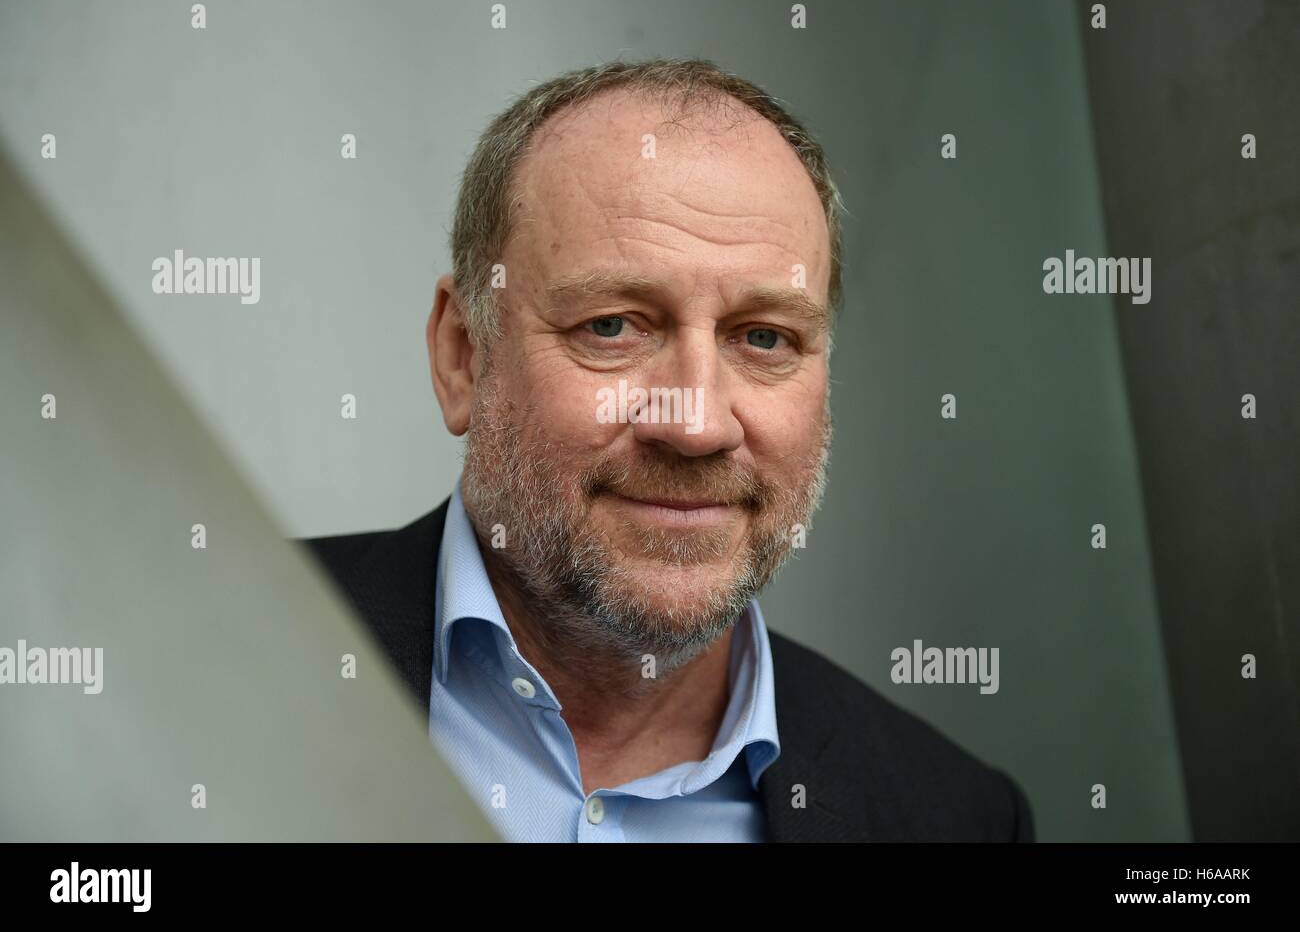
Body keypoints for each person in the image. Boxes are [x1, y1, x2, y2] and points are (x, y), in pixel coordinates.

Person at [304, 58, 1033, 842]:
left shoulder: (957, 820)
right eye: (612, 326)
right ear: (462, 356)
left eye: (763, 338)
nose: (695, 426)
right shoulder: (202, 652)